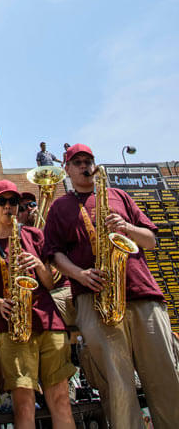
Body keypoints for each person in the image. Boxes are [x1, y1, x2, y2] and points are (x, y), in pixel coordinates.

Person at [43, 143, 179, 428]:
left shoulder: (119, 195)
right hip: (94, 299)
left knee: (166, 377)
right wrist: (79, 274)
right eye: (77, 162)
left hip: (142, 295)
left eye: (88, 161)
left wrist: (126, 227)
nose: (84, 166)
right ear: (67, 169)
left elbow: (150, 240)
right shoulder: (60, 207)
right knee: (117, 384)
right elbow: (54, 254)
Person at [0, 181, 75, 428]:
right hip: (11, 327)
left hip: (47, 321)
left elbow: (51, 283)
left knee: (61, 399)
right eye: (2, 202)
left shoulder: (34, 235)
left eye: (13, 202)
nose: (8, 207)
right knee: (24, 404)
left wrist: (38, 265)